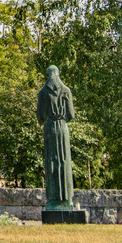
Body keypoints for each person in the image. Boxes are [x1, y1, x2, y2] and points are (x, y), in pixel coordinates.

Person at [37, 65, 75, 210]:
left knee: (52, 161)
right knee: (64, 161)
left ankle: (53, 199)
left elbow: (40, 117)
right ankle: (66, 199)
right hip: (62, 128)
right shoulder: (66, 91)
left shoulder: (43, 93)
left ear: (47, 75)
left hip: (50, 128)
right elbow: (71, 115)